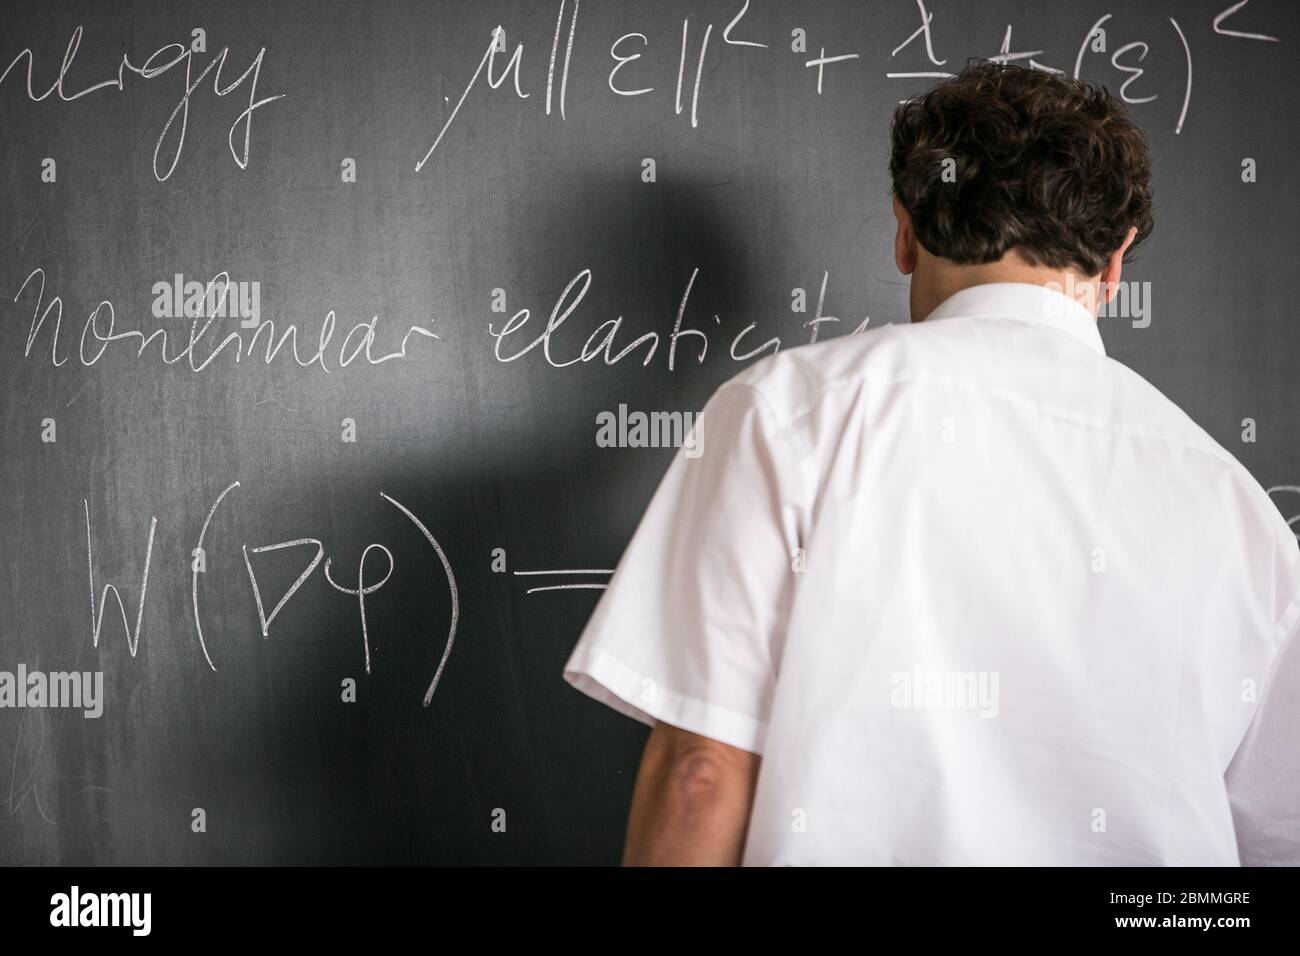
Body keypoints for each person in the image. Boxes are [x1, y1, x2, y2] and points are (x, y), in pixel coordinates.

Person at [562, 62, 1300, 866]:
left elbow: (702, 775)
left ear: (906, 230)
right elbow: (1277, 833)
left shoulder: (790, 411)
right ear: (1116, 260)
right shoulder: (1236, 505)